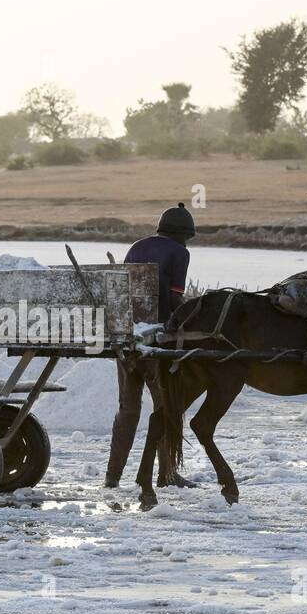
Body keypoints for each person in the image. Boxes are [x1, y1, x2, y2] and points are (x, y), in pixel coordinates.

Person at [105, 202, 196, 489]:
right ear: (184, 234)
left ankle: (113, 476)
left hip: (127, 338)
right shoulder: (179, 252)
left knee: (127, 409)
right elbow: (174, 300)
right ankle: (165, 474)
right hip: (155, 343)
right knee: (165, 407)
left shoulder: (136, 246)